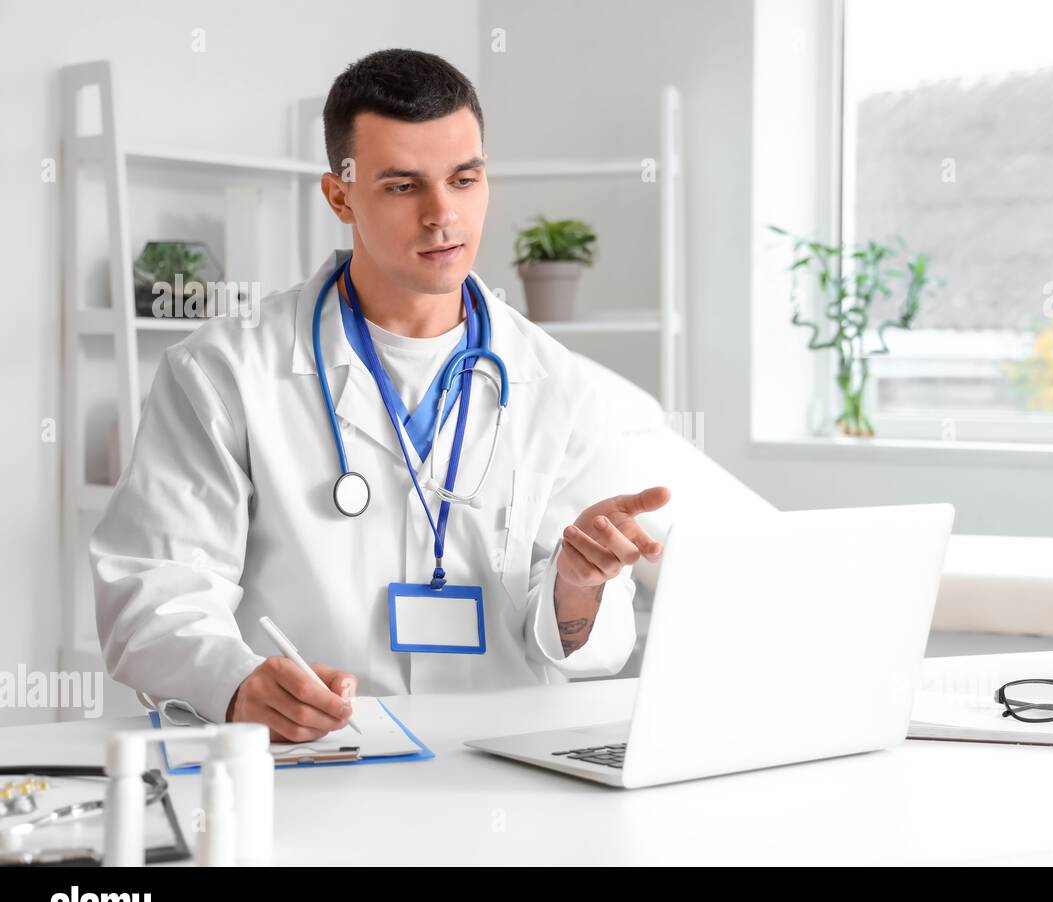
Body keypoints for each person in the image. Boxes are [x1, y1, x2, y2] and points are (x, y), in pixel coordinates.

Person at [90, 48, 670, 742]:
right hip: (310, 761)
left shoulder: (563, 386)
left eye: (464, 179)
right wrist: (237, 683)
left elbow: (577, 640)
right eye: (402, 186)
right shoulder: (222, 373)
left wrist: (580, 581)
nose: (441, 216)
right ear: (340, 196)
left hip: (499, 773)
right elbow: (153, 588)